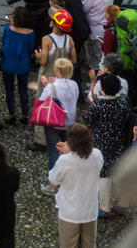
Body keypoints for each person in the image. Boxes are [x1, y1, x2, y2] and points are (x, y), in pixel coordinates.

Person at [82, 73, 130, 216]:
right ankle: (123, 202)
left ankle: (104, 207)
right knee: (117, 169)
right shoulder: (123, 101)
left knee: (103, 173)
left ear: (102, 89)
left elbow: (87, 118)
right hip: (118, 140)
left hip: (101, 142)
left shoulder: (98, 104)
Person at [49, 123, 102, 248]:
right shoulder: (97, 154)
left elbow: (53, 179)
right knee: (89, 244)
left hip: (70, 212)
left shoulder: (65, 160)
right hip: (90, 209)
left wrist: (66, 153)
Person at [38, 57, 81, 187]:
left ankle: (53, 184)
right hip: (69, 122)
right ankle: (68, 178)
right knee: (68, 151)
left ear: (56, 70)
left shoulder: (52, 86)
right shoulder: (74, 85)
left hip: (54, 123)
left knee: (53, 152)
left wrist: (46, 86)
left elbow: (42, 99)